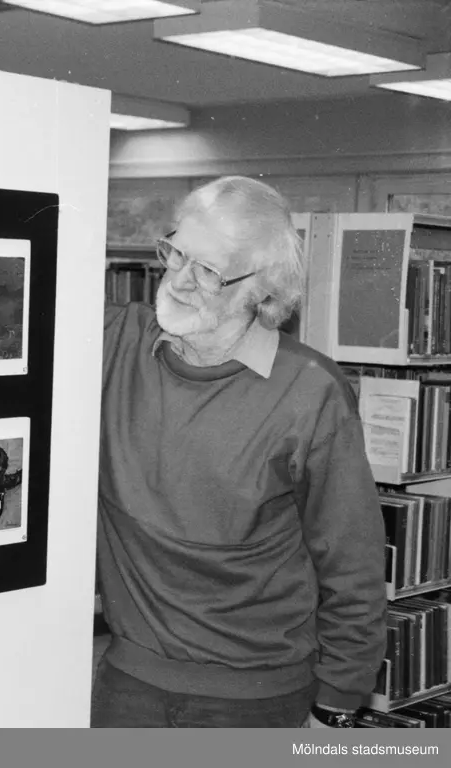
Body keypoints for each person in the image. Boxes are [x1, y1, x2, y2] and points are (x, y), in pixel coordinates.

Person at [92, 176, 386, 728]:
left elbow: (353, 559)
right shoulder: (114, 343)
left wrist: (339, 700)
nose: (178, 281)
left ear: (264, 291)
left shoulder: (310, 391)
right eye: (176, 252)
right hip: (127, 681)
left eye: (208, 270)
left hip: (259, 699)